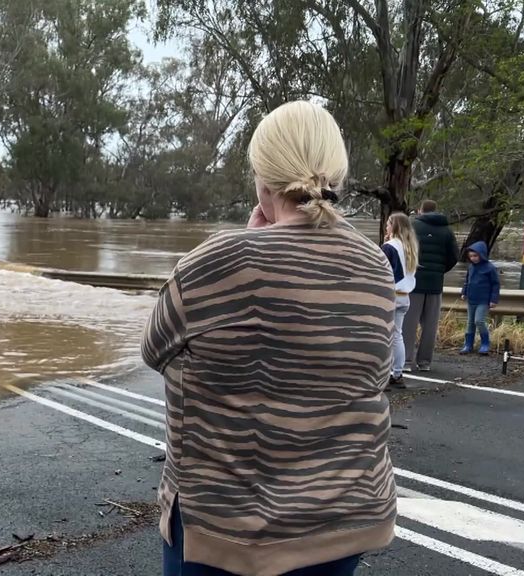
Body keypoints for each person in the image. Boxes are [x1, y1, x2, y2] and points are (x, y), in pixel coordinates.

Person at [142, 101, 396, 576]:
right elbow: (372, 373)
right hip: (344, 518)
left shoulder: (219, 258)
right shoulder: (375, 264)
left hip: (227, 528)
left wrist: (246, 242)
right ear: (335, 175)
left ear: (263, 180)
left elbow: (155, 348)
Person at [403, 200, 459, 372]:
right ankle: (425, 362)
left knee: (409, 324)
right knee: (430, 326)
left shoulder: (413, 227)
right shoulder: (447, 231)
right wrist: (440, 270)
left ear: (420, 210)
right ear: (436, 210)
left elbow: (405, 252)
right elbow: (454, 257)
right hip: (435, 285)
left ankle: (405, 361)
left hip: (415, 283)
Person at [381, 213, 418, 389]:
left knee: (384, 336)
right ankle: (398, 373)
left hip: (390, 294)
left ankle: (385, 374)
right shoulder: (409, 246)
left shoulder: (389, 247)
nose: (386, 227)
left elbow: (381, 272)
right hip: (405, 296)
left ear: (393, 226)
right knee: (397, 335)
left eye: (388, 224)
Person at [460, 241, 501, 355]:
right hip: (471, 299)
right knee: (470, 323)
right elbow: (467, 281)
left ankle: (485, 343)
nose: (473, 258)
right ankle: (468, 344)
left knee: (479, 321)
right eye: (471, 256)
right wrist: (464, 292)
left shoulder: (490, 268)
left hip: (483, 300)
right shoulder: (471, 267)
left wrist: (493, 299)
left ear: (482, 254)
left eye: (475, 256)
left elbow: (495, 284)